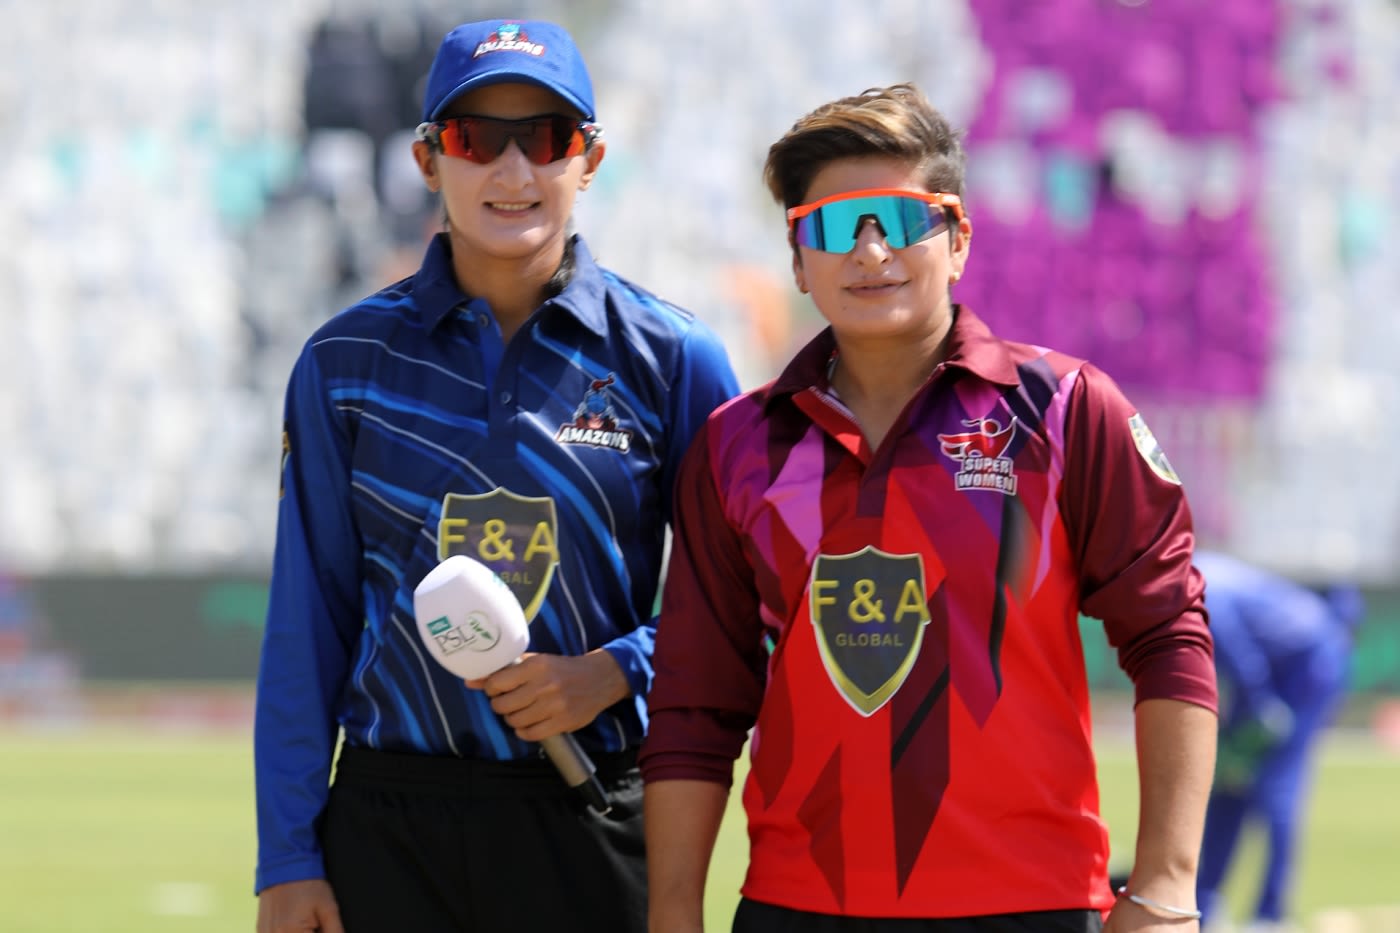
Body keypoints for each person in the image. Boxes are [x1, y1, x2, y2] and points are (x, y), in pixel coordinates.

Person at [640, 83, 1219, 933]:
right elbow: (697, 703)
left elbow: (1169, 634)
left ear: (958, 240)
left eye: (902, 219)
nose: (871, 249)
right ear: (799, 262)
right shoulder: (735, 445)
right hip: (799, 908)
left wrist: (1166, 885)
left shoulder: (1067, 410)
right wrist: (673, 914)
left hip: (1035, 905)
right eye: (835, 227)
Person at [253, 18, 739, 933]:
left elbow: (743, 595)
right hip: (388, 819)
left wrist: (614, 671)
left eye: (545, 139)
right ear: (429, 160)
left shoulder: (674, 359)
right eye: (478, 140)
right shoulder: (342, 360)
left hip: (590, 805)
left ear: (588, 159)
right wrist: (286, 855)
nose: (513, 173)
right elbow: (307, 619)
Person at [1192, 551, 1365, 932]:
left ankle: (1269, 914)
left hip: (1310, 665)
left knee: (1278, 789)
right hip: (1274, 671)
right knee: (1230, 781)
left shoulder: (1198, 584)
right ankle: (1206, 902)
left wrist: (1259, 705)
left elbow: (1239, 655)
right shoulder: (1197, 572)